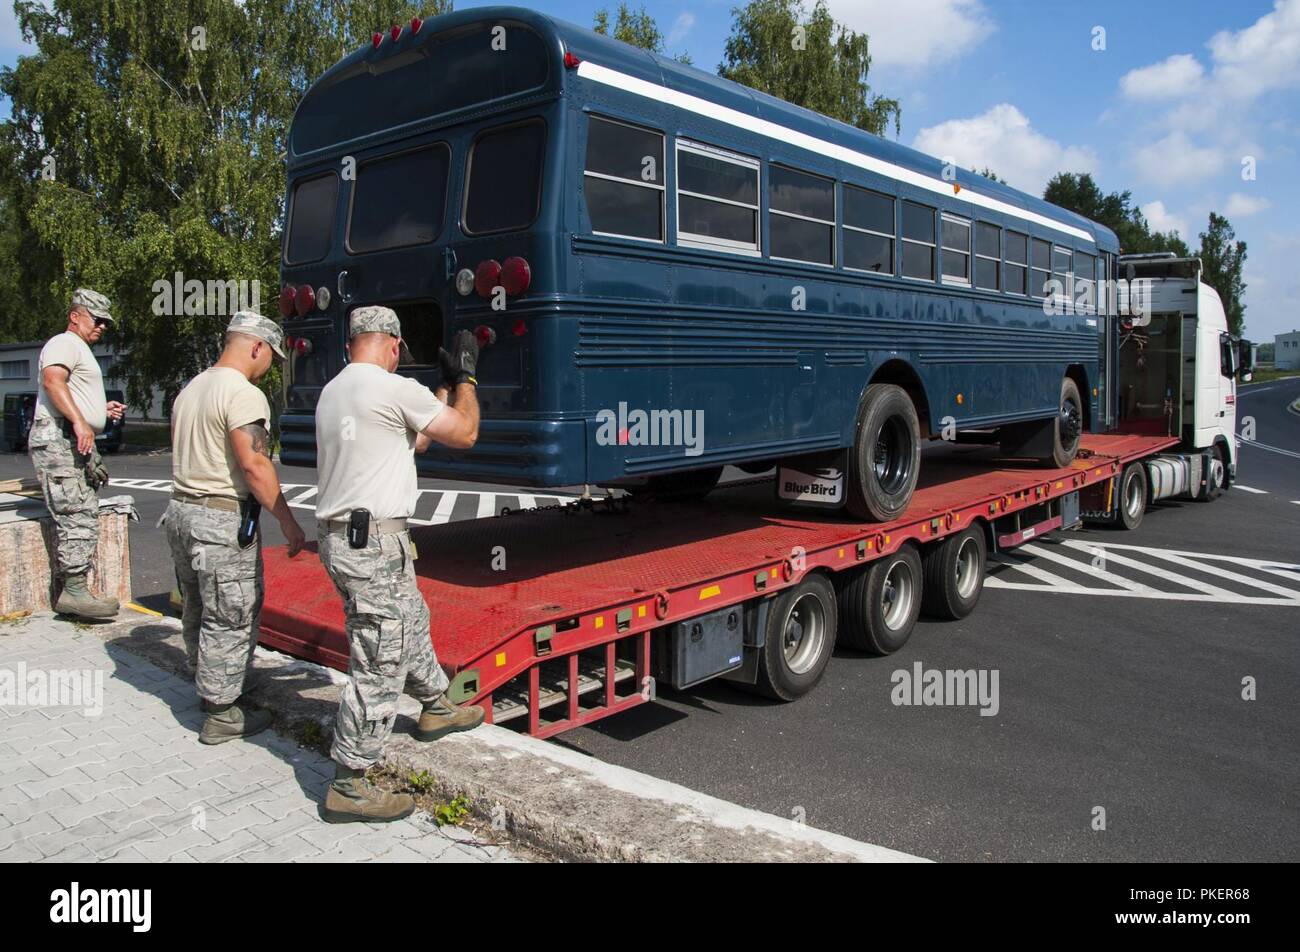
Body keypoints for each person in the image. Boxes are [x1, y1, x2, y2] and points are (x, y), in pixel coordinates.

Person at [314, 306, 485, 823]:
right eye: (399, 353)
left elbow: (417, 437)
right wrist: (465, 379)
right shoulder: (390, 387)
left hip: (349, 541)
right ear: (392, 343)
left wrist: (435, 390)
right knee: (379, 658)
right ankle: (349, 780)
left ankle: (436, 705)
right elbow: (465, 433)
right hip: (372, 545)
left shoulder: (336, 390)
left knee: (410, 619)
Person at [166, 312, 306, 745]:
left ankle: (210, 686)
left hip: (180, 513)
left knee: (198, 607)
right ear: (257, 347)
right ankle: (223, 712)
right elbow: (254, 464)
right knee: (232, 612)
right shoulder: (243, 394)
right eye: (271, 357)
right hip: (220, 520)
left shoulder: (190, 389)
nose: (268, 367)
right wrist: (287, 520)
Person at [29, 288, 126, 619]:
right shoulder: (65, 343)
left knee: (80, 508)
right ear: (75, 316)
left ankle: (75, 589)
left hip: (68, 437)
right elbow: (54, 382)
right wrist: (81, 422)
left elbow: (70, 390)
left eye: (106, 323)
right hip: (59, 437)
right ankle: (73, 593)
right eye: (97, 320)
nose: (102, 327)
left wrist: (99, 410)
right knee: (76, 512)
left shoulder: (77, 347)